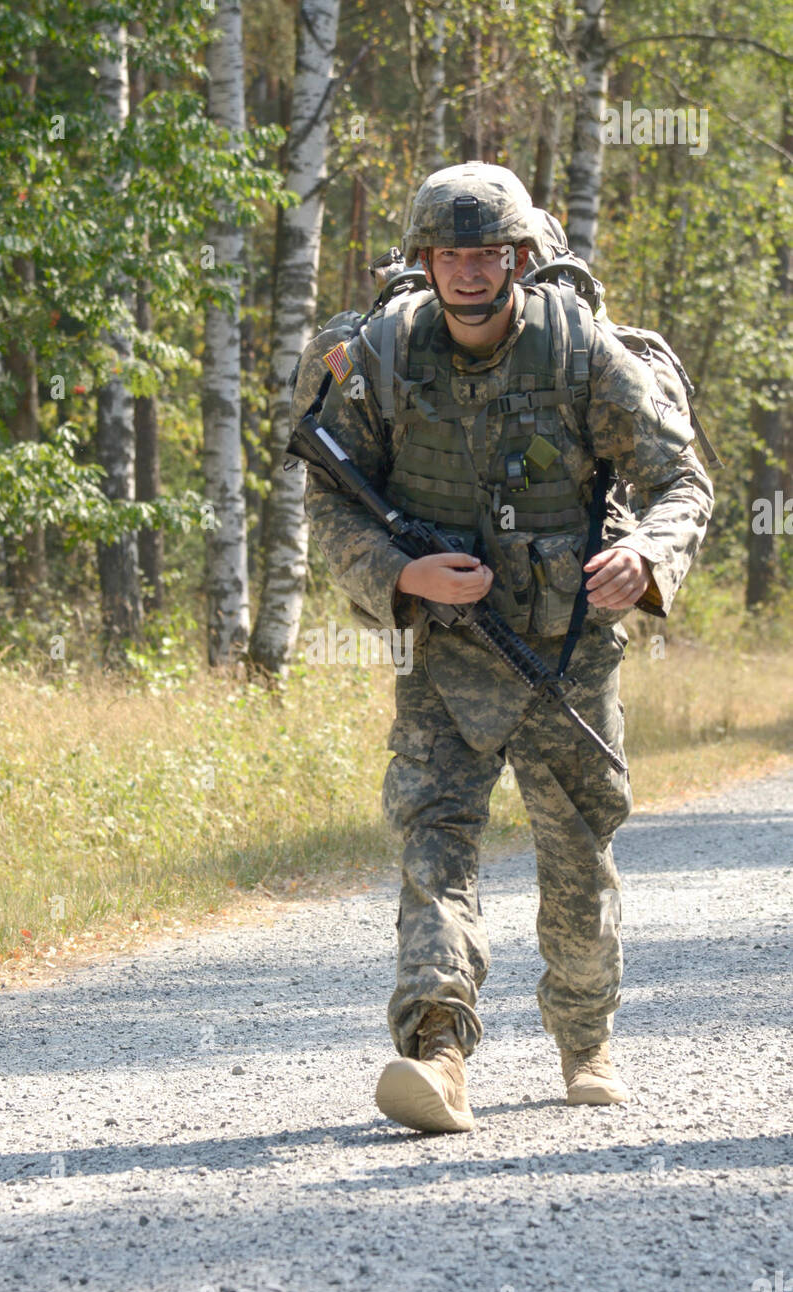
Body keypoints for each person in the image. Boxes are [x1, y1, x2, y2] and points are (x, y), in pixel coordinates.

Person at [303, 163, 714, 1133]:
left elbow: (680, 480)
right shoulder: (390, 357)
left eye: (489, 252)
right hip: (447, 656)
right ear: (426, 261)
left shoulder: (583, 355)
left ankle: (585, 1038)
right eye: (452, 253)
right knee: (434, 845)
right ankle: (438, 1053)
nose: (471, 271)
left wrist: (647, 560)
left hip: (569, 652)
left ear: (520, 257)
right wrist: (401, 577)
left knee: (577, 856)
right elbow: (327, 497)